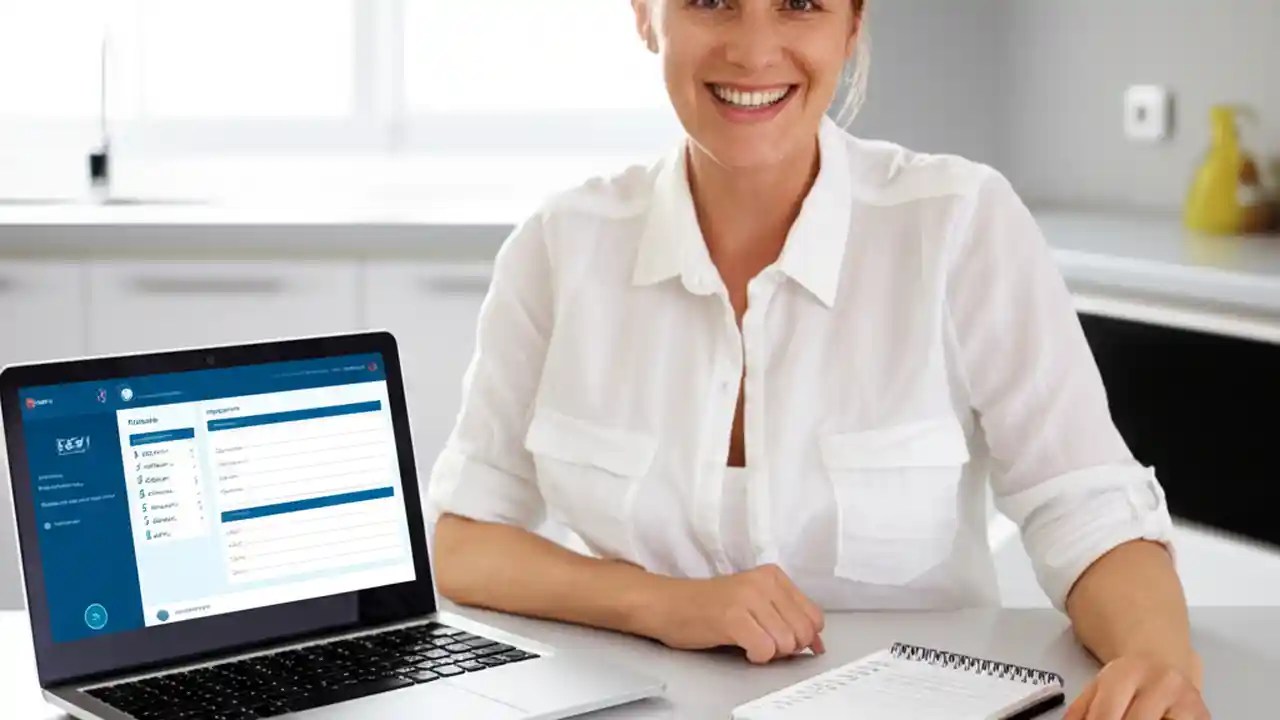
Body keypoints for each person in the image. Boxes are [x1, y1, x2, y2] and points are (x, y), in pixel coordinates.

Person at [426, 1, 1209, 718]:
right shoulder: (560, 243)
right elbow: (465, 540)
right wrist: (660, 602)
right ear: (643, 14)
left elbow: (1087, 510)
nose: (754, 48)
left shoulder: (959, 223)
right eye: (709, 1)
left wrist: (1157, 663)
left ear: (852, 23)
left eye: (800, 4)